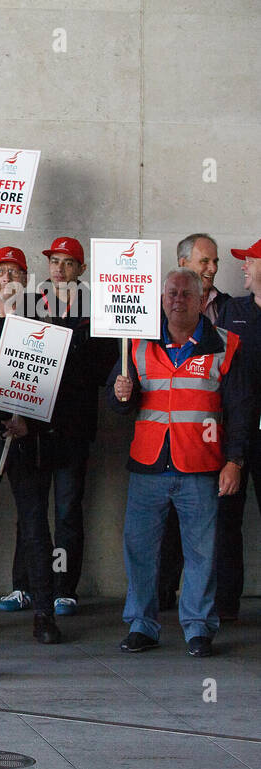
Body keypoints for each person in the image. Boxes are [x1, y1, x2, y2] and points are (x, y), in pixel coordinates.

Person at [109, 268, 248, 658]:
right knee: (139, 549)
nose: (178, 300)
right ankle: (141, 625)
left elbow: (240, 411)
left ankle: (199, 628)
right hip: (148, 465)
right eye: (171, 293)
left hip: (202, 465)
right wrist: (121, 394)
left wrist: (235, 460)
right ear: (161, 297)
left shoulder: (226, 345)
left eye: (187, 294)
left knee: (203, 550)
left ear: (204, 300)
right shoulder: (134, 345)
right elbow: (117, 405)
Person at [0, 237, 116, 616]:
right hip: (32, 427)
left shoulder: (95, 309)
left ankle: (64, 588)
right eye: (55, 262)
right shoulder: (29, 303)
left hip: (74, 426)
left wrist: (66, 354)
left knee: (67, 510)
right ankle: (25, 586)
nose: (60, 269)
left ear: (81, 269)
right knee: (30, 512)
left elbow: (103, 368)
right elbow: (14, 360)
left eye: (69, 263)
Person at [0, 246, 63, 644]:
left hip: (25, 442)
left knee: (36, 529)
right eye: (0, 272)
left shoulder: (44, 323)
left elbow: (57, 385)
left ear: (26, 279)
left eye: (15, 272)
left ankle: (44, 614)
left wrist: (30, 420)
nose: (7, 279)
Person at [158, 234, 233, 608]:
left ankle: (207, 616)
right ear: (183, 262)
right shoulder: (152, 323)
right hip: (155, 456)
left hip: (208, 453)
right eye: (205, 261)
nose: (213, 269)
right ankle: (158, 604)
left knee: (208, 540)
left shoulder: (232, 311)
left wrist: (234, 456)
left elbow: (238, 396)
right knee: (156, 539)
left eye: (215, 262)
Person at [214, 239, 261, 621]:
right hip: (236, 436)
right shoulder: (233, 310)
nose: (242, 267)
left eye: (249, 261)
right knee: (227, 520)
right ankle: (225, 605)